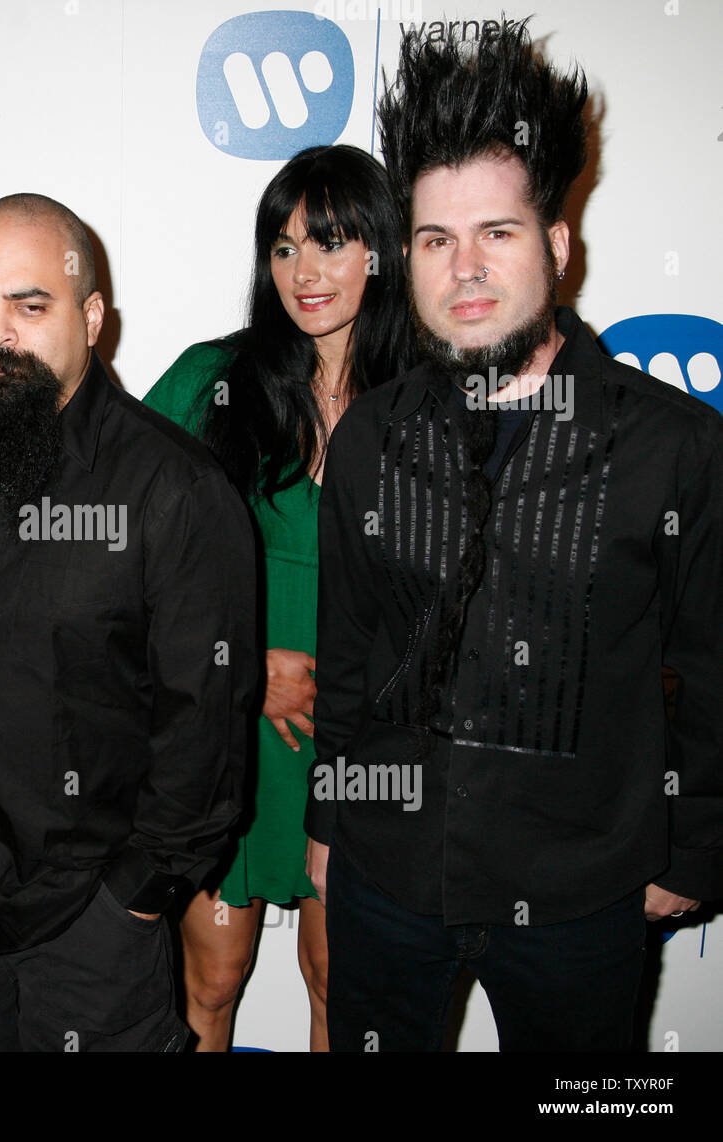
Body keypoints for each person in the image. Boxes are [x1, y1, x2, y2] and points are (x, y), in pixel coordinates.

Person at [308, 22, 723, 1051]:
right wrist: (330, 821)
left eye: (497, 232)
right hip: (388, 876)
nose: (465, 268)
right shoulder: (370, 436)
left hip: (584, 894)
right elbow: (350, 654)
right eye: (438, 240)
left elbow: (713, 674)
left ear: (558, 246)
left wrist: (692, 853)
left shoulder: (672, 447)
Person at [0, 193, 257, 1051]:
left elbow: (205, 729)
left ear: (92, 317)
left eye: (31, 306)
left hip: (91, 928)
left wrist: (134, 895)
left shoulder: (174, 488)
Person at [144, 144, 411, 1051]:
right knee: (210, 982)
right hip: (231, 732)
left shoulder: (431, 400)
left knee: (344, 981)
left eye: (331, 243)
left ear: (381, 251)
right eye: (285, 246)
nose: (305, 271)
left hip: (373, 741)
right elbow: (116, 557)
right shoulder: (209, 382)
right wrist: (243, 671)